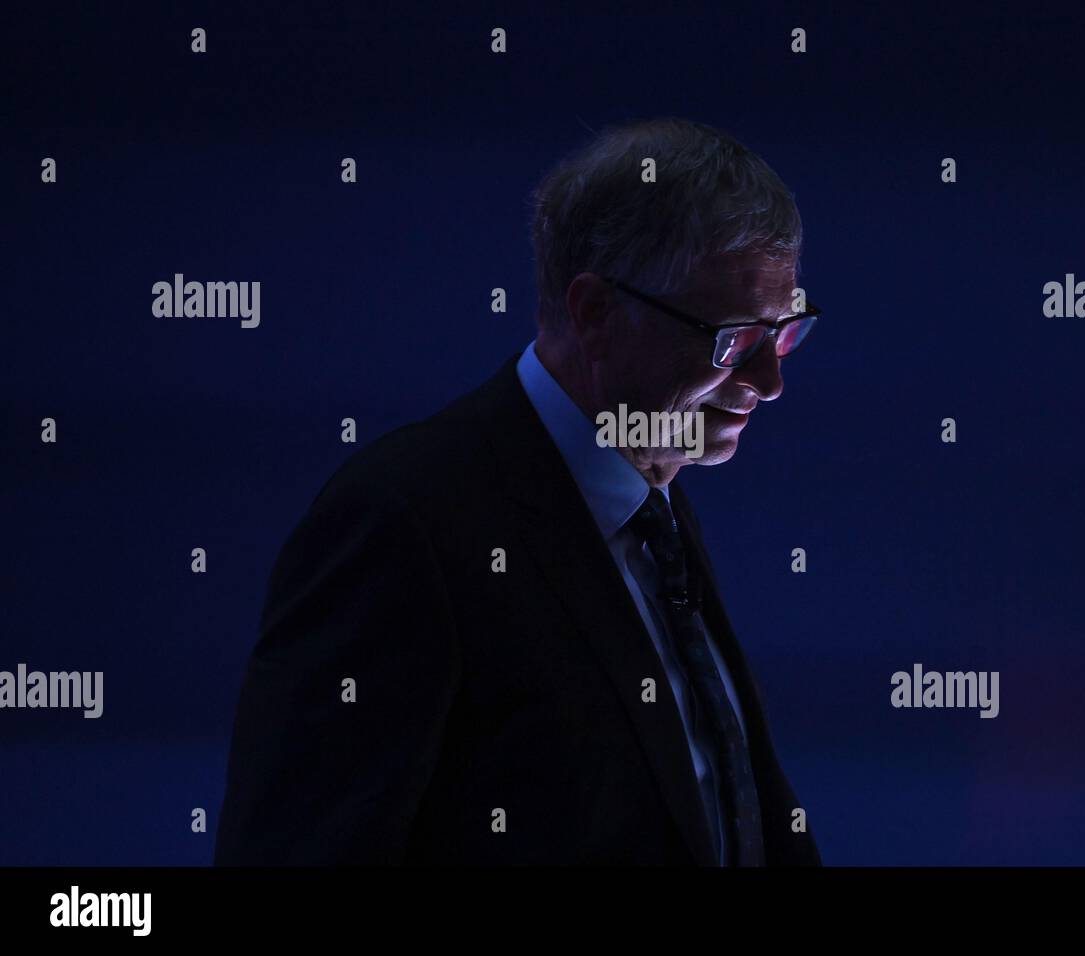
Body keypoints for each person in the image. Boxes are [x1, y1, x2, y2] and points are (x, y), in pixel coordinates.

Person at [215, 117, 823, 865]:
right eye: (735, 341)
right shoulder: (402, 523)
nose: (770, 383)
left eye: (786, 332)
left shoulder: (652, 499)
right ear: (596, 314)